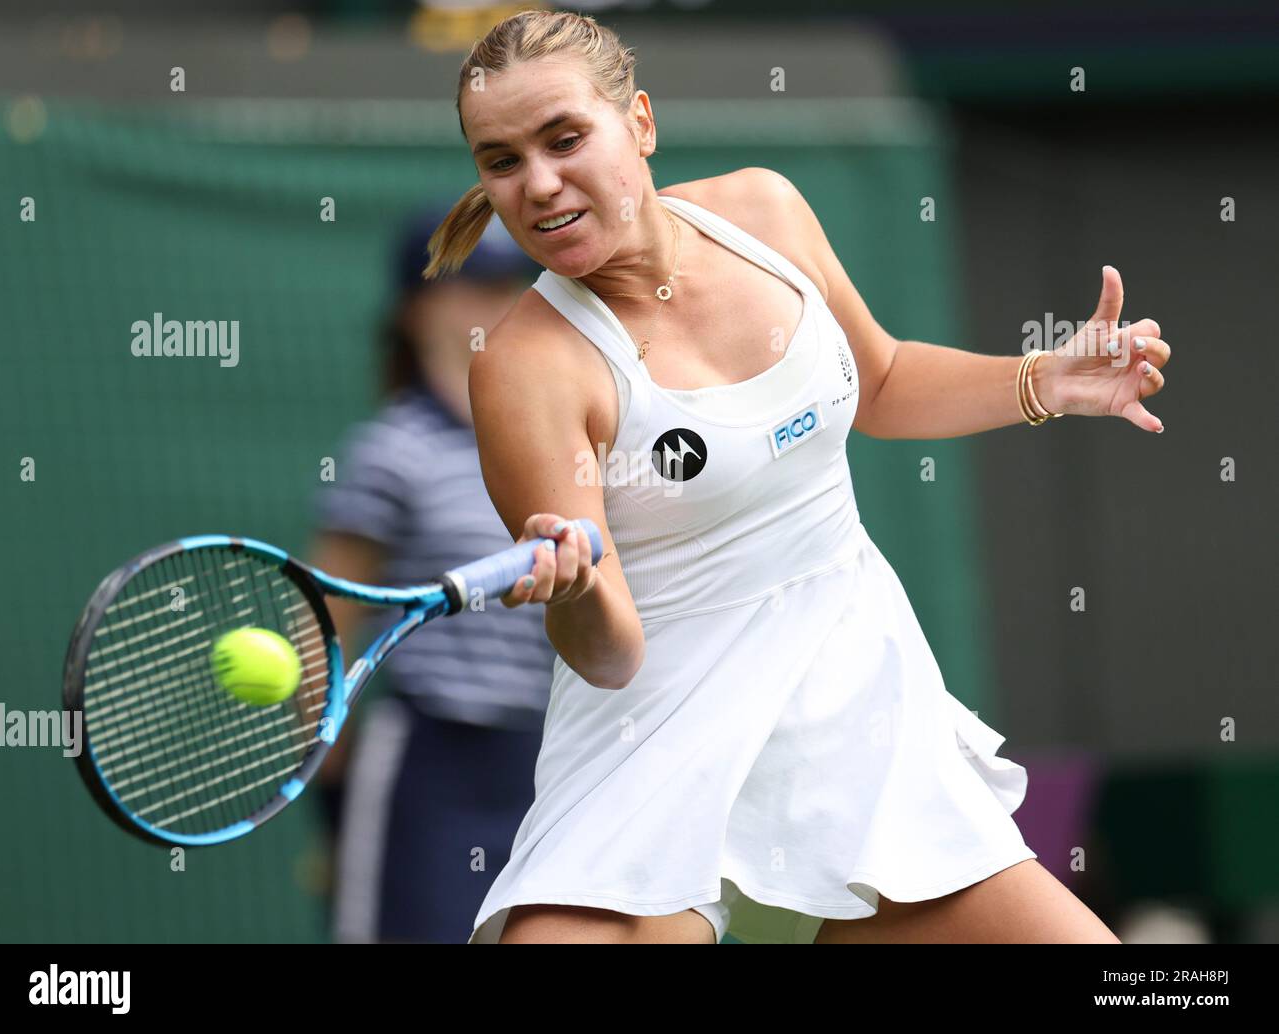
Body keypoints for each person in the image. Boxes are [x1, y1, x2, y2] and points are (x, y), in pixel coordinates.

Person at [427, 10, 1172, 944]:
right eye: (501, 161)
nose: (539, 183)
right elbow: (609, 655)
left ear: (642, 123)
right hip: (654, 747)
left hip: (852, 710)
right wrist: (574, 588)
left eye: (565, 139)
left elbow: (884, 381)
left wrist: (1043, 379)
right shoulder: (524, 366)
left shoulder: (764, 212)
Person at [309, 202, 550, 943]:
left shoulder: (558, 447)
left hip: (548, 768)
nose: (496, 306)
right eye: (471, 286)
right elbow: (323, 623)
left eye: (510, 287)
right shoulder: (392, 449)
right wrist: (329, 777)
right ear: (417, 312)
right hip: (426, 766)